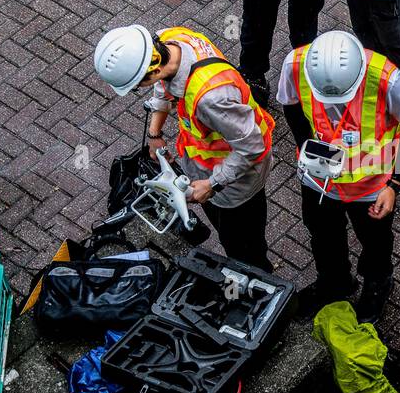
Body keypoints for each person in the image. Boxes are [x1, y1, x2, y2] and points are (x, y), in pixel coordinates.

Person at [93, 23, 275, 271]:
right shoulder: (170, 40)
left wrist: (212, 184)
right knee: (231, 238)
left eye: (138, 85)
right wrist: (154, 133)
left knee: (243, 248)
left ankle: (260, 283)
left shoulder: (212, 99)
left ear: (153, 69)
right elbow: (162, 86)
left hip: (235, 187)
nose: (142, 89)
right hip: (207, 172)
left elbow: (253, 147)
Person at [277, 30, 400, 323]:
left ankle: (377, 282)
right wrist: (306, 146)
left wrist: (394, 185)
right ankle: (334, 282)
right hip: (320, 179)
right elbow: (290, 104)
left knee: (375, 241)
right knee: (322, 234)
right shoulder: (295, 65)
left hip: (372, 185)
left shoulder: (387, 79)